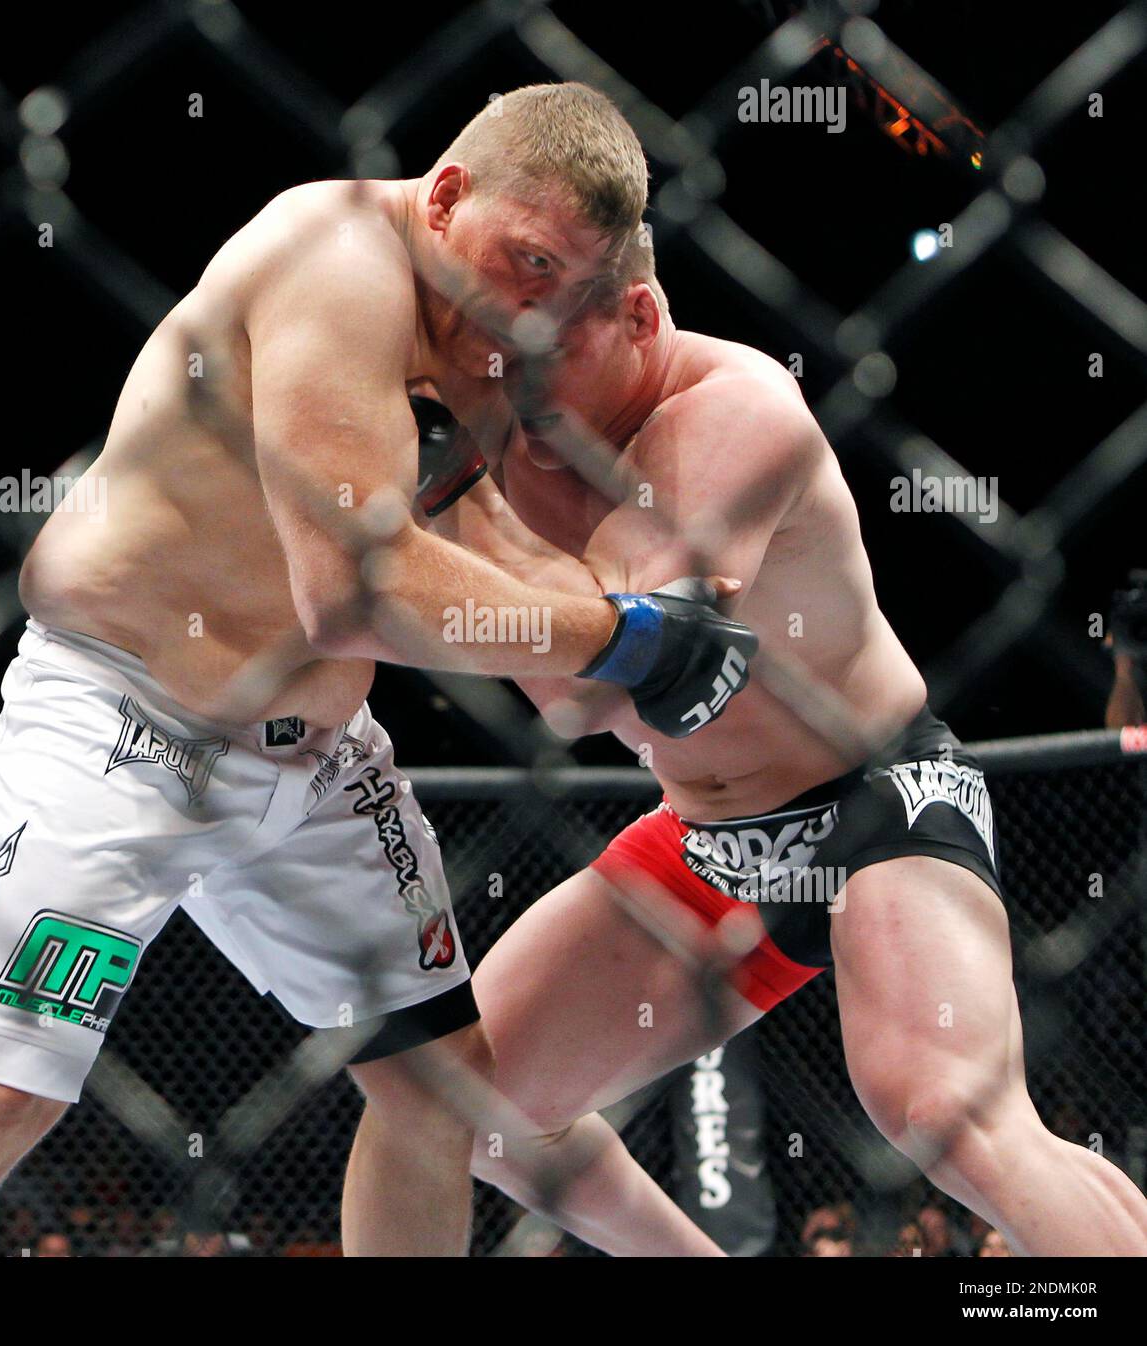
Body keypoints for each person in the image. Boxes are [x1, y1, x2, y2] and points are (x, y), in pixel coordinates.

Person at [0, 84, 758, 1258]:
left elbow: (497, 570)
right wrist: (621, 634)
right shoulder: (334, 263)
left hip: (316, 760)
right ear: (445, 195)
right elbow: (356, 592)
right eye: (525, 255)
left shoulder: (487, 342)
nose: (534, 299)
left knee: (444, 1090)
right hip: (126, 717)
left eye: (566, 282)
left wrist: (640, 628)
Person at [447, 227, 1147, 1255]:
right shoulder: (527, 441)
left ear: (639, 315)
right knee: (476, 1100)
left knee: (944, 1112)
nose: (526, 384)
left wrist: (453, 506)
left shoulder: (732, 415)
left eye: (552, 348)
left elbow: (580, 688)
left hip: (877, 801)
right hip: (710, 842)